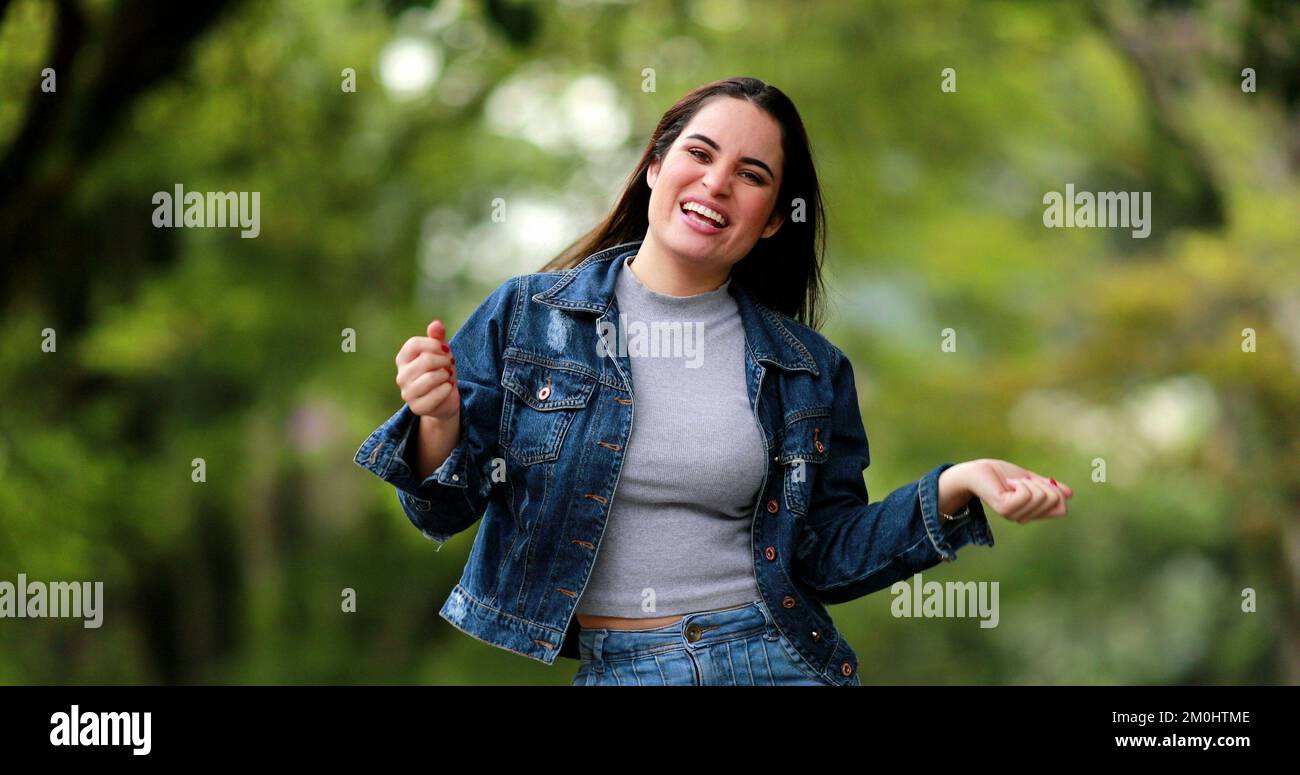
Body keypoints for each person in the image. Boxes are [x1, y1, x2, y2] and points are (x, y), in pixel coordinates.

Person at [355, 76, 1073, 686]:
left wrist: (956, 484)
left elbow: (821, 555)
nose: (717, 184)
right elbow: (440, 513)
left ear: (769, 222)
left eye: (753, 175)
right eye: (699, 154)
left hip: (769, 660)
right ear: (654, 168)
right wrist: (439, 421)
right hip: (616, 666)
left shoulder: (808, 369)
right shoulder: (526, 318)